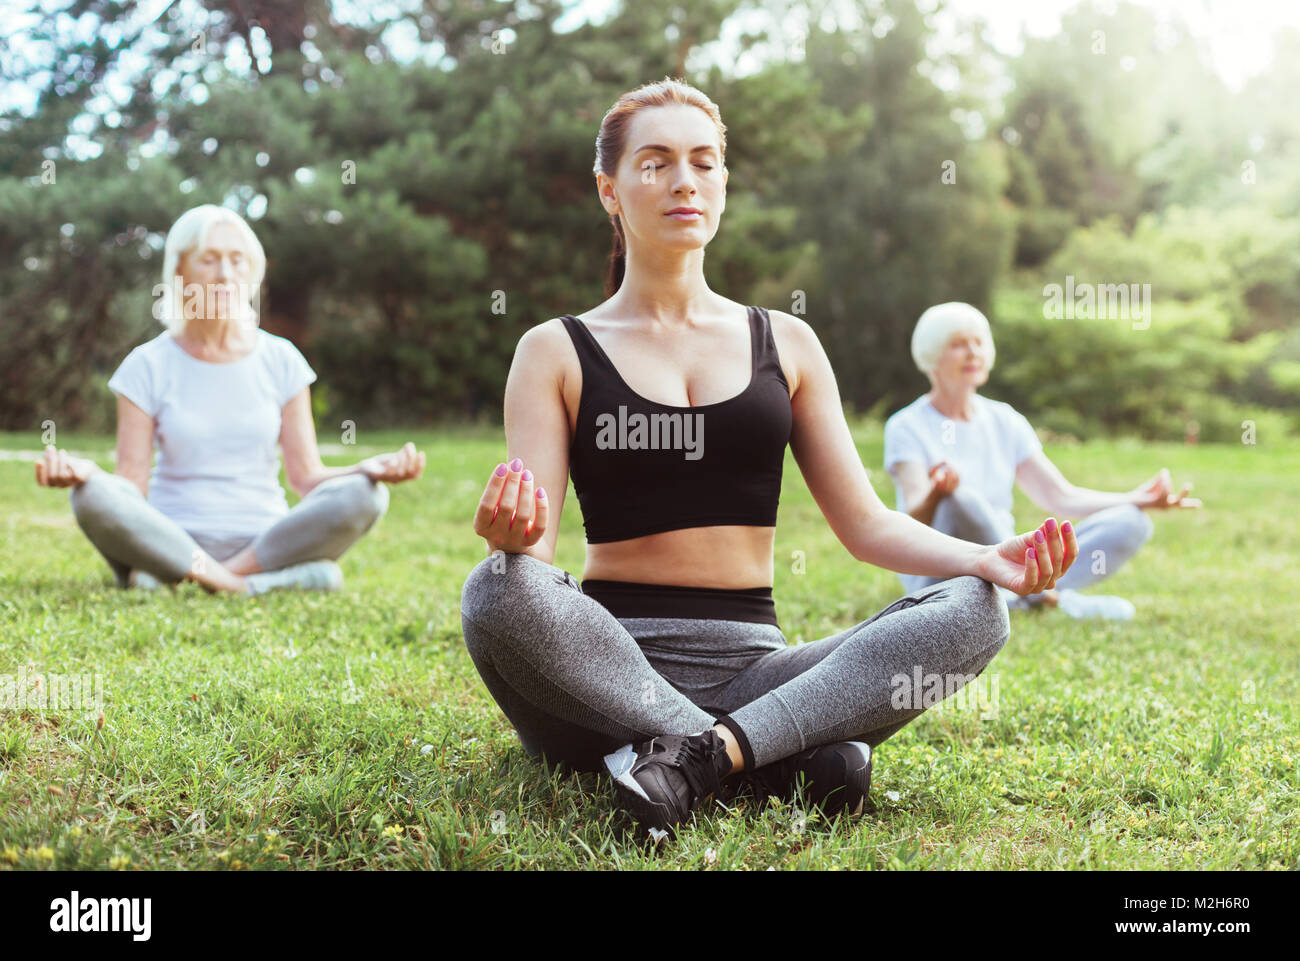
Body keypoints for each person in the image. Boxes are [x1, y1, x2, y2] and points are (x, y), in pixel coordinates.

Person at [459, 79, 1076, 839]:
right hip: (606, 675)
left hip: (758, 670)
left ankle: (699, 758)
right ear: (609, 190)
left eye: (704, 162)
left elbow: (866, 524)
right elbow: (538, 559)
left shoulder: (786, 343)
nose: (684, 179)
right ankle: (772, 758)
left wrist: (989, 556)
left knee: (975, 607)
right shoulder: (554, 349)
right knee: (496, 588)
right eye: (654, 163)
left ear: (723, 182)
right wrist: (512, 542)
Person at [36, 204, 425, 596]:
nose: (225, 273)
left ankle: (208, 580)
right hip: (171, 539)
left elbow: (305, 477)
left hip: (263, 540)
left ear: (252, 273)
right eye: (209, 259)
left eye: (237, 260)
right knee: (90, 495)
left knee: (366, 494)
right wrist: (87, 474)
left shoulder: (282, 360)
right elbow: (130, 486)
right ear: (179, 272)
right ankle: (249, 584)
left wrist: (365, 468)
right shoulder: (145, 365)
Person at [883, 302, 1201, 620]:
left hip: (1008, 560)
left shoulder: (1005, 420)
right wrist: (939, 492)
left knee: (1133, 520)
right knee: (960, 499)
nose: (972, 352)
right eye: (957, 344)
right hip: (942, 573)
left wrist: (1141, 499)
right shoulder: (906, 425)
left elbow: (1060, 497)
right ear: (932, 355)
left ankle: (1025, 594)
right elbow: (914, 515)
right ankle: (1045, 597)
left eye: (978, 342)